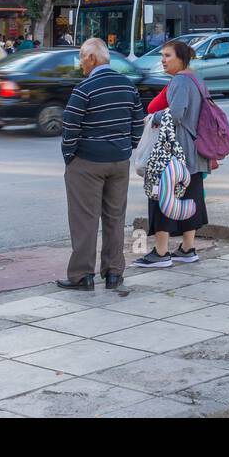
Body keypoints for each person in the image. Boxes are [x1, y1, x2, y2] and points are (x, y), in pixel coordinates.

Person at [58, 39, 144, 290]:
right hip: (119, 162)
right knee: (115, 217)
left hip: (87, 162)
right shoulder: (128, 86)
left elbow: (70, 127)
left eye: (82, 58)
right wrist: (126, 146)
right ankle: (114, 272)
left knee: (84, 220)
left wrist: (69, 157)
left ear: (93, 59)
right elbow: (137, 124)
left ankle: (82, 275)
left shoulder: (85, 89)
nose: (80, 63)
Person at [131, 39, 210, 266]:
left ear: (181, 58)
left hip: (175, 152)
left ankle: (161, 253)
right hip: (194, 152)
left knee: (162, 197)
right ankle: (187, 248)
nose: (163, 60)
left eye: (168, 56)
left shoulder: (180, 81)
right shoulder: (196, 78)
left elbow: (174, 114)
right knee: (191, 197)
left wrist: (152, 118)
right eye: (162, 56)